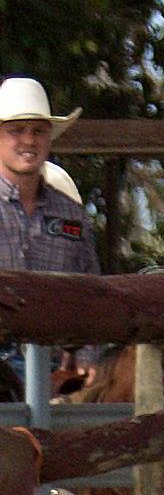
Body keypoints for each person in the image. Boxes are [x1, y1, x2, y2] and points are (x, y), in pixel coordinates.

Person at [0, 77, 100, 396]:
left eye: (39, 131)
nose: (29, 140)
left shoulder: (72, 213)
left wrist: (86, 355)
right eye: (17, 130)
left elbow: (92, 291)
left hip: (58, 374)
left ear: (49, 138)